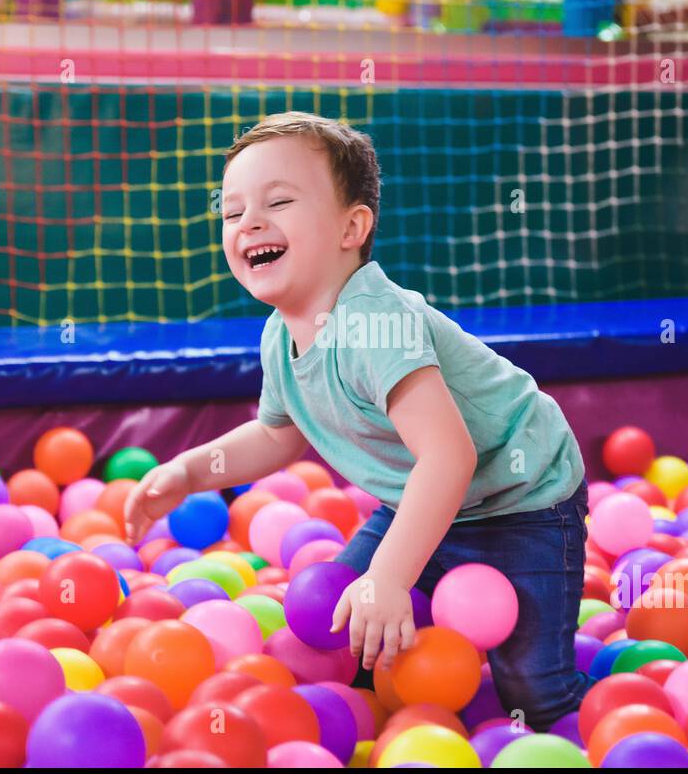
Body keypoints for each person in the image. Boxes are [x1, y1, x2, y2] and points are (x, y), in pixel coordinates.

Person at [125, 111, 589, 730]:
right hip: (420, 500)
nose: (250, 223)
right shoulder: (278, 335)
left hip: (521, 499)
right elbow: (276, 434)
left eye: (278, 201)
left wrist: (389, 578)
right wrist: (188, 472)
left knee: (533, 690)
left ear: (353, 226)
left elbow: (450, 456)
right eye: (232, 212)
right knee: (343, 637)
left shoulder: (375, 320)